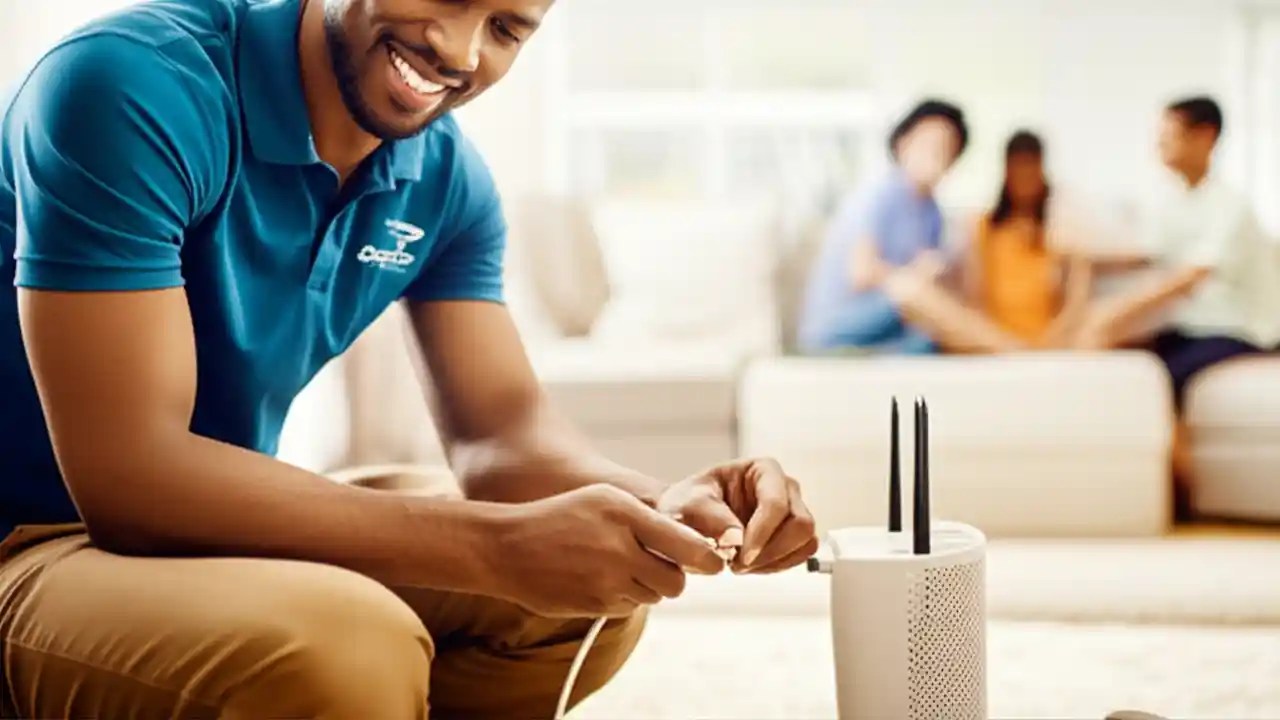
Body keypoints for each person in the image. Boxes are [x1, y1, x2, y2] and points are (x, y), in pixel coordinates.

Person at [0, 1, 819, 717]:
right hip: (32, 540)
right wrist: (494, 548)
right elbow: (129, 479)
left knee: (581, 594)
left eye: (506, 29)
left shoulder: (447, 178)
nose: (462, 53)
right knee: (351, 644)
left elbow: (506, 443)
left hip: (200, 535)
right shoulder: (128, 85)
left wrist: (671, 507)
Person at [1074, 96, 1280, 517]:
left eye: (1168, 136)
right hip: (1193, 325)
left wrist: (1115, 312)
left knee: (1163, 376)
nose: (1159, 147)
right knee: (1125, 357)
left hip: (1242, 328)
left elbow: (1189, 277)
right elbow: (1147, 253)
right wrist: (1078, 256)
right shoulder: (1173, 199)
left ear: (1205, 137)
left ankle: (1184, 496)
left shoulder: (1230, 205)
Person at [797, 99, 1029, 356]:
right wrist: (915, 274)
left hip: (886, 330)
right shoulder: (880, 194)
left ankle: (1010, 355)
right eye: (927, 144)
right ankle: (1015, 352)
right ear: (902, 144)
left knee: (936, 336)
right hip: (838, 327)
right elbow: (861, 273)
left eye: (945, 150)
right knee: (910, 289)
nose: (934, 156)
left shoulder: (933, 214)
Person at [964, 130, 1094, 348]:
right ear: (1006, 171)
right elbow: (975, 297)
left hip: (1050, 336)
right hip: (994, 338)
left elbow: (1076, 295)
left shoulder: (1058, 229)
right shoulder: (984, 226)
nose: (1024, 177)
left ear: (1042, 170)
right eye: (1017, 167)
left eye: (1031, 167)